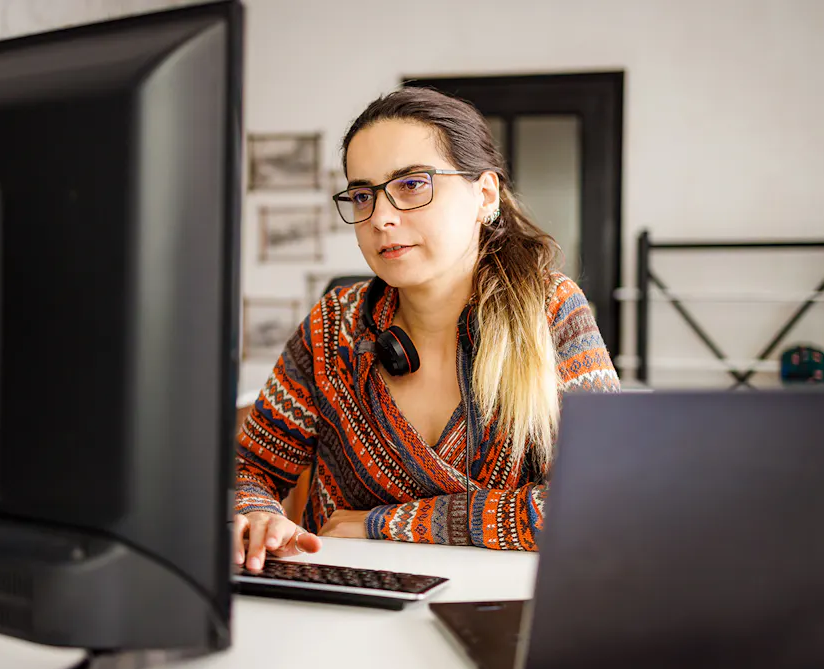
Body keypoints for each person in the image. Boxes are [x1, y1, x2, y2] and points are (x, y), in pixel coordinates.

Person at [233, 87, 620, 571]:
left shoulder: (552, 312)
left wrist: (383, 523)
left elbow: (600, 505)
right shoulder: (333, 327)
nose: (381, 217)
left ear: (484, 195)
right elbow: (249, 472)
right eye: (362, 194)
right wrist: (257, 513)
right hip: (344, 610)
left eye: (412, 184)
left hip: (498, 615)